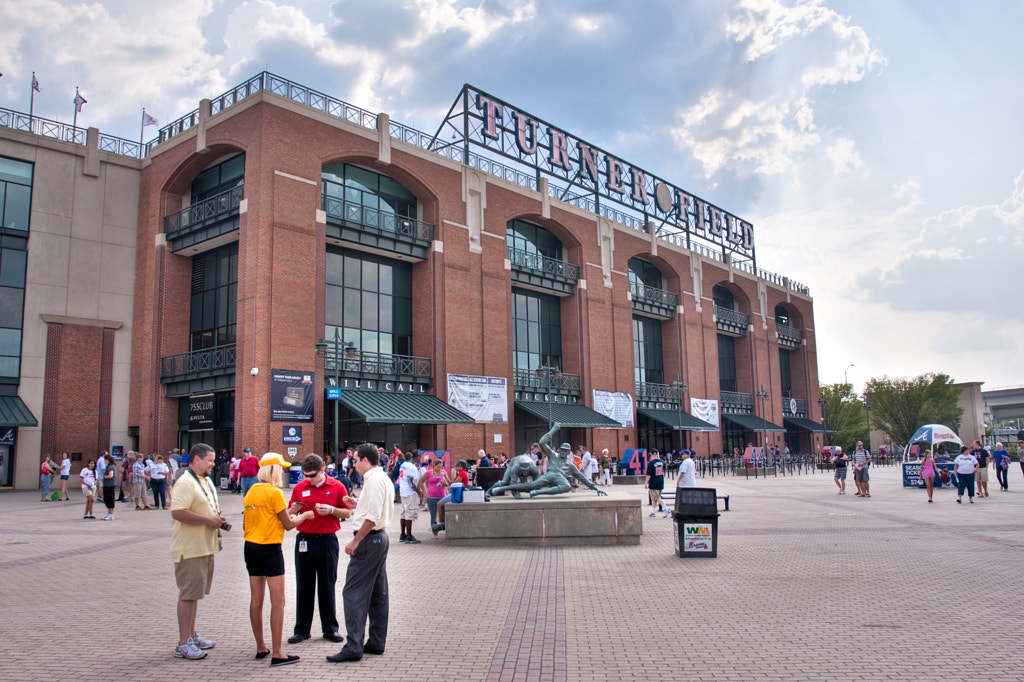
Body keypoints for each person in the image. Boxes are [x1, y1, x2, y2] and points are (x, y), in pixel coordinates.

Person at [243, 453, 316, 667]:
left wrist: (288, 511)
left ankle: (261, 647)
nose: (283, 471)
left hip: (251, 546)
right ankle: (277, 652)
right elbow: (288, 525)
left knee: (256, 600)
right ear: (273, 470)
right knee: (278, 601)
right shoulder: (274, 492)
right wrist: (302, 516)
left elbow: (268, 517)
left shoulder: (251, 492)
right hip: (270, 548)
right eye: (280, 468)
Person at [326, 443, 394, 663]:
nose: (352, 464)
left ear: (365, 460)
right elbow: (374, 508)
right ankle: (375, 642)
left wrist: (356, 541)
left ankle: (353, 646)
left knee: (353, 593)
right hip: (379, 538)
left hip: (369, 539)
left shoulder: (373, 480)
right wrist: (358, 504)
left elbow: (372, 517)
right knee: (377, 593)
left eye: (355, 460)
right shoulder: (380, 477)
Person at [169, 443, 226, 660]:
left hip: (204, 546)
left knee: (195, 594)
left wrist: (217, 529)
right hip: (190, 548)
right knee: (188, 594)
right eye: (210, 460)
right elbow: (178, 512)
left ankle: (191, 635)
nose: (214, 463)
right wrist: (208, 520)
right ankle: (183, 642)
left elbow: (211, 508)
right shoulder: (185, 482)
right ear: (196, 460)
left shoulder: (205, 480)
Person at [287, 454, 351, 645]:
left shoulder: (337, 486)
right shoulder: (300, 487)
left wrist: (332, 510)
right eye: (305, 475)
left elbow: (347, 511)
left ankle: (330, 629)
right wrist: (294, 510)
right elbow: (288, 512)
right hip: (305, 540)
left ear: (322, 470)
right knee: (304, 585)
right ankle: (301, 630)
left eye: (312, 475)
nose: (308, 479)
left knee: (327, 585)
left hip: (327, 541)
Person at [434, 460, 469, 530]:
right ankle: (442, 521)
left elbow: (453, 483)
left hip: (458, 494)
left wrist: (452, 473)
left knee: (439, 504)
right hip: (457, 493)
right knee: (442, 505)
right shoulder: (461, 473)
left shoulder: (462, 473)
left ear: (462, 467)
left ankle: (441, 522)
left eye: (457, 466)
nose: (456, 467)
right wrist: (446, 483)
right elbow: (451, 483)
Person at [396, 451, 422, 544]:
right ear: (416, 457)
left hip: (403, 491)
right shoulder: (412, 467)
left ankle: (403, 534)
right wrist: (418, 491)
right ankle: (409, 535)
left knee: (403, 512)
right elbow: (413, 480)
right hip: (410, 492)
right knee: (409, 513)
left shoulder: (403, 465)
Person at [418, 458, 448, 537]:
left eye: (441, 467)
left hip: (442, 496)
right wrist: (425, 491)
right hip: (431, 497)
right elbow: (421, 481)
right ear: (434, 465)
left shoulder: (444, 473)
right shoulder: (428, 473)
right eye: (438, 467)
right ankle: (435, 532)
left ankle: (444, 528)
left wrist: (445, 483)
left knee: (444, 514)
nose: (439, 469)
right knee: (433, 515)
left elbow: (448, 483)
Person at [644, 449, 666, 517]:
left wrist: (646, 483)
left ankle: (666, 508)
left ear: (651, 455)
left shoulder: (651, 463)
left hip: (653, 482)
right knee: (655, 498)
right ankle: (653, 511)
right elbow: (664, 469)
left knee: (656, 497)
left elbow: (648, 475)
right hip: (660, 481)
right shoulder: (662, 462)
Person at [100, 456, 118, 520]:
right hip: (106, 485)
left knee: (110, 499)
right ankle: (108, 513)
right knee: (106, 499)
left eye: (105, 460)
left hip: (110, 485)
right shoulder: (108, 466)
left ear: (107, 460)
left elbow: (111, 475)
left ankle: (111, 514)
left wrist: (104, 477)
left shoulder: (111, 467)